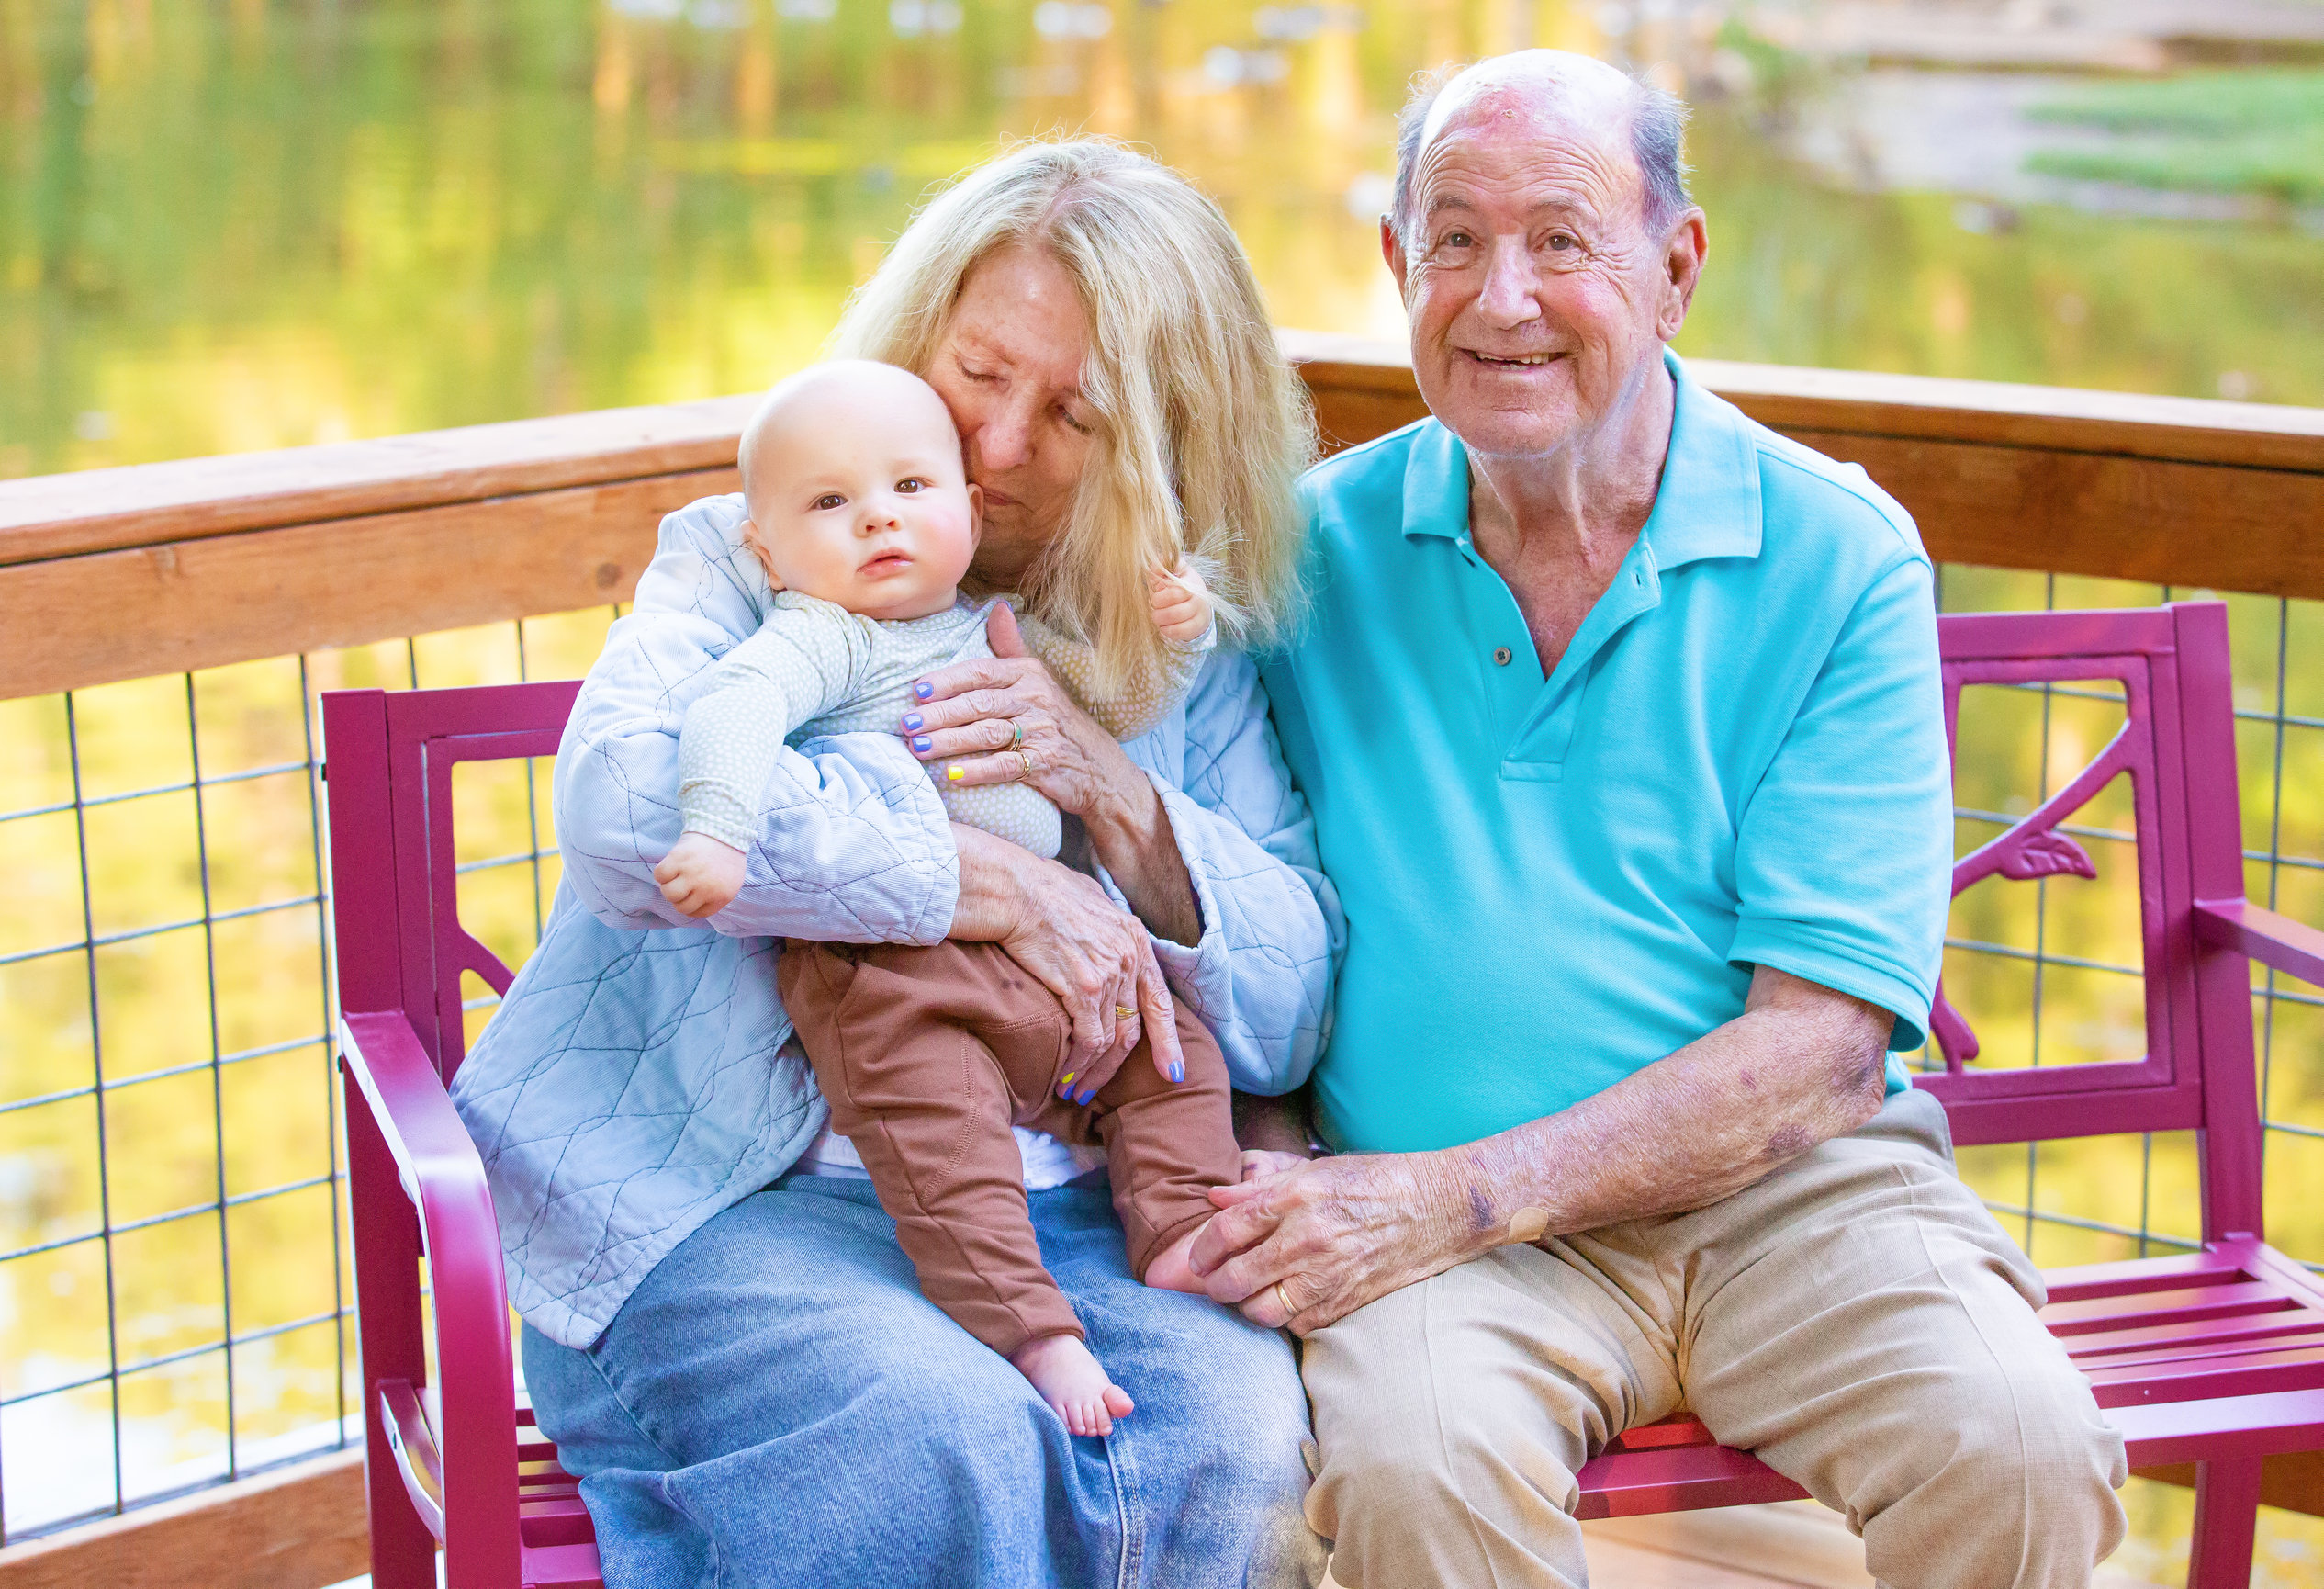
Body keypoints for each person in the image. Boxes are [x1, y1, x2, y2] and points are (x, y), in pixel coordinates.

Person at [1201, 51, 2129, 1589]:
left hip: (1793, 1199)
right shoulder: (1302, 554)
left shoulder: (1837, 556)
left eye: (1563, 241)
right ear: (1394, 264)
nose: (1501, 300)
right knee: (1412, 1477)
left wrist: (1455, 1195)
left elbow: (1826, 1043)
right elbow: (1219, 887)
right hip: (1444, 1227)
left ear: (1676, 265)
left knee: (2018, 1449)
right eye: (1453, 240)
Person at [449, 141, 1339, 1588]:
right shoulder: (753, 563)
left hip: (1075, 1208)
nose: (990, 446)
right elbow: (623, 804)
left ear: (1162, 443)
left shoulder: (1177, 640)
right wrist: (982, 881)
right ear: (918, 328)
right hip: (730, 1199)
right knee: (940, 1437)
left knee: (1235, 1439)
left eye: (1069, 414)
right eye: (978, 371)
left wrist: (1102, 788)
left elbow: (1291, 1003)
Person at [653, 358, 1240, 1433]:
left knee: (1173, 1054)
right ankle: (1035, 1329)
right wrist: (720, 829)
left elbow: (1114, 696)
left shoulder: (992, 622)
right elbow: (732, 708)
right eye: (831, 503)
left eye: (910, 490)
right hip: (898, 966)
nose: (877, 519)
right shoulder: (826, 637)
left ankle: (1183, 1229)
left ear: (968, 512)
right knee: (942, 1139)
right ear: (766, 548)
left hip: (1048, 964)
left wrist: (1178, 629)